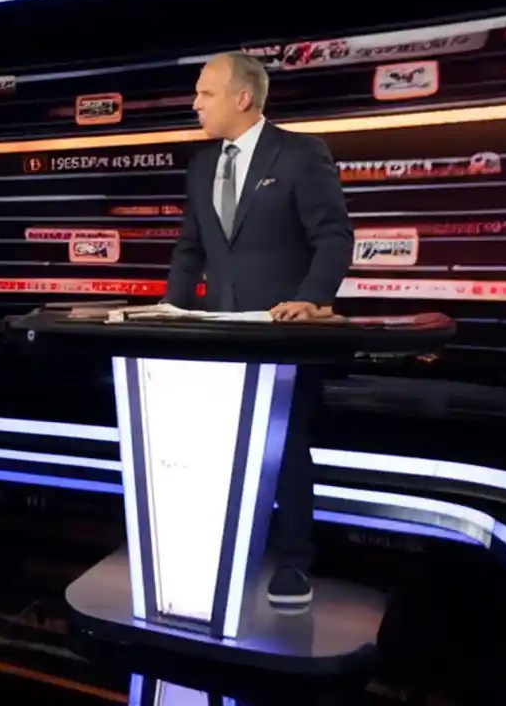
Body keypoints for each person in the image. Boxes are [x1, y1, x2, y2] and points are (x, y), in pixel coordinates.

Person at [164, 52, 354, 610]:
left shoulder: (299, 154)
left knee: (286, 449)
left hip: (282, 335)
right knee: (218, 451)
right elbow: (191, 249)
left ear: (241, 98)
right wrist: (168, 314)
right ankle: (225, 553)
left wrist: (313, 300)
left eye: (204, 93)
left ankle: (294, 563)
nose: (194, 103)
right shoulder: (201, 165)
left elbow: (334, 235)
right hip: (217, 339)